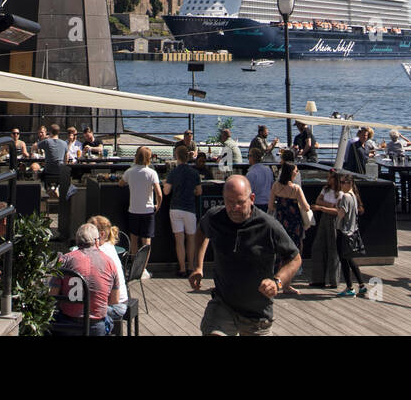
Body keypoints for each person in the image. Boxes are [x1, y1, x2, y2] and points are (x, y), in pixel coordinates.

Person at [190, 174, 301, 336]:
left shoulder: (268, 226)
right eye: (229, 202)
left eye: (240, 202)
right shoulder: (215, 217)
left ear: (252, 198)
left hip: (257, 313)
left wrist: (277, 282)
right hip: (223, 304)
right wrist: (197, 266)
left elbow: (295, 258)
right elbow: (201, 230)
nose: (234, 208)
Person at [52, 222, 119, 336]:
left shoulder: (65, 260)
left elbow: (53, 294)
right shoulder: (109, 263)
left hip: (68, 324)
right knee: (110, 321)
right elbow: (114, 300)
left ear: (77, 241)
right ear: (97, 241)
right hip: (96, 326)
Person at [267, 161, 312, 292]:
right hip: (294, 224)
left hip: (281, 222)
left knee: (279, 251)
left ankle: (277, 281)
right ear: (291, 173)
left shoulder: (276, 186)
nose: (297, 173)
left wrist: (281, 208)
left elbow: (270, 206)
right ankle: (286, 285)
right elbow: (306, 207)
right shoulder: (296, 189)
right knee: (293, 253)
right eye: (295, 171)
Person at [163, 144, 203, 277]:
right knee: (191, 239)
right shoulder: (194, 173)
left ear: (176, 156)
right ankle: (191, 266)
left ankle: (181, 268)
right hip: (190, 208)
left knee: (179, 240)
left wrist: (165, 184)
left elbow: (166, 191)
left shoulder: (173, 172)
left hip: (175, 208)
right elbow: (199, 191)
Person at [88, 215, 129, 333]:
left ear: (101, 235)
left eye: (91, 232)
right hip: (119, 301)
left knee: (80, 311)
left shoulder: (102, 252)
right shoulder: (110, 247)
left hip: (115, 305)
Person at [333, 172, 369, 297]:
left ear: (350, 183)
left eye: (343, 182)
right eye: (340, 182)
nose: (341, 185)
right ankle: (361, 285)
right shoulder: (353, 195)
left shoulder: (345, 197)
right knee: (350, 259)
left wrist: (336, 206)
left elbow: (341, 214)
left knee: (344, 259)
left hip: (344, 231)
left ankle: (350, 287)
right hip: (352, 230)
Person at [122, 146, 161, 252]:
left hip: (133, 210)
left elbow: (121, 183)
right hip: (148, 210)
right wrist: (158, 205)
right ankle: (143, 267)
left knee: (134, 240)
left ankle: (135, 265)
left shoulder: (129, 171)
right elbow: (159, 194)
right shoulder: (152, 173)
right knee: (146, 242)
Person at [308, 169, 341, 288]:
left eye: (330, 178)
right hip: (324, 218)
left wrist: (322, 207)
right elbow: (318, 200)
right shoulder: (325, 189)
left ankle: (333, 280)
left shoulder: (340, 192)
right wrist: (328, 205)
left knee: (333, 249)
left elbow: (336, 209)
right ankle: (318, 279)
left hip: (333, 220)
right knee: (318, 246)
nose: (328, 180)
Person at [39, 124, 69, 198]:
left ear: (50, 132)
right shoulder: (64, 143)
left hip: (49, 170)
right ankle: (57, 188)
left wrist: (46, 138)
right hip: (60, 170)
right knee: (63, 172)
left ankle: (45, 190)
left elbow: (35, 146)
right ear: (58, 132)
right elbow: (66, 158)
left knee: (40, 174)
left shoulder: (47, 142)